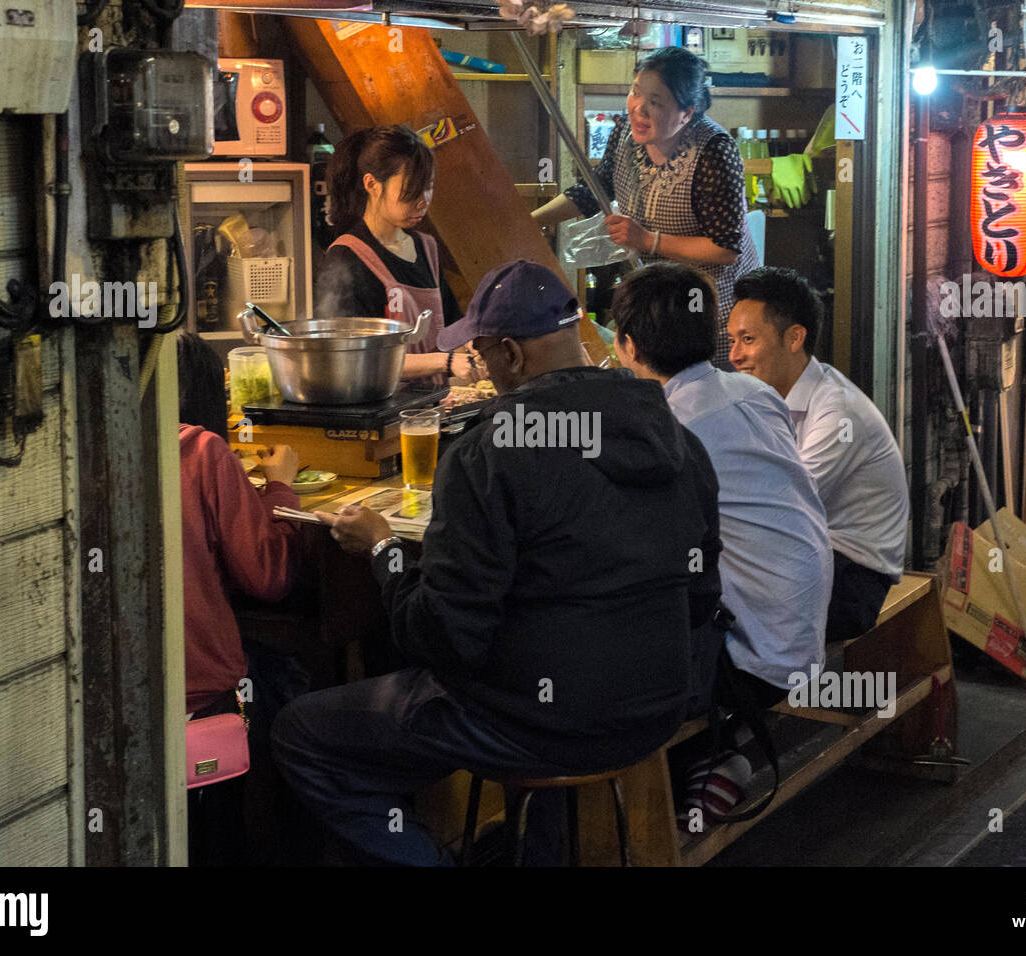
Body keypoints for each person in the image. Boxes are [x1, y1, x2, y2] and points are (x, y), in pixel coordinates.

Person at [271, 260, 723, 865]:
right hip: (659, 702)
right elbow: (700, 596)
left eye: (481, 357)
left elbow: (442, 639)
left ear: (509, 353)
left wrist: (383, 552)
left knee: (304, 732)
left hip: (539, 721)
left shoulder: (489, 454)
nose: (482, 371)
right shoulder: (676, 436)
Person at [612, 262, 831, 822]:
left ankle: (626, 802)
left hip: (752, 661)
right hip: (804, 627)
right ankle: (717, 757)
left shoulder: (665, 430)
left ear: (628, 346)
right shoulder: (751, 393)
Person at [532, 46, 759, 368]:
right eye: (635, 92)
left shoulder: (714, 151)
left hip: (710, 307)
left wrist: (648, 240)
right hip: (658, 301)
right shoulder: (625, 130)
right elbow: (595, 189)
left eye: (656, 102)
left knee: (700, 394)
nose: (639, 109)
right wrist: (533, 220)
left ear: (687, 112)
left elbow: (725, 249)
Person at [727, 267, 909, 643]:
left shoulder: (837, 411)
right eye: (731, 340)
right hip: (811, 555)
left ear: (794, 338)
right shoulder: (764, 397)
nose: (734, 356)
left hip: (853, 579)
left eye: (747, 339)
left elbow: (783, 508)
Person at [177, 332, 301, 865]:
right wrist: (280, 487)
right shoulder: (202, 451)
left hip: (115, 698)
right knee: (287, 678)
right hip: (200, 698)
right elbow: (270, 577)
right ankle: (290, 845)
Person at [316, 124, 486, 385]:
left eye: (427, 187)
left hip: (434, 407)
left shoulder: (426, 248)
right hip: (383, 410)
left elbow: (451, 328)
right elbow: (355, 357)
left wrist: (473, 347)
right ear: (372, 184)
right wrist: (446, 361)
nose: (422, 201)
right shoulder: (347, 257)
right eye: (410, 190)